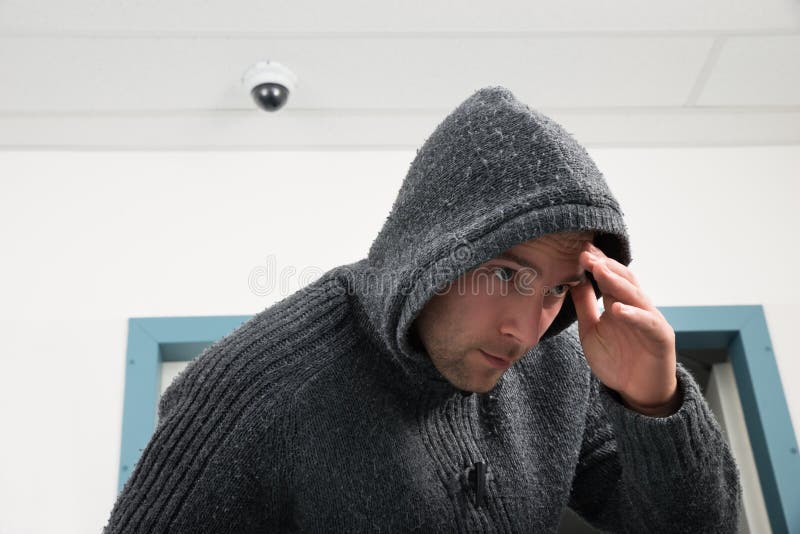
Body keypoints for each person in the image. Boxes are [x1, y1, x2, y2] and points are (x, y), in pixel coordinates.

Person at [103, 86, 742, 533]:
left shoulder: (558, 368)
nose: (527, 328)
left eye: (556, 289)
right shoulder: (253, 394)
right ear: (433, 253)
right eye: (505, 273)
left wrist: (654, 406)